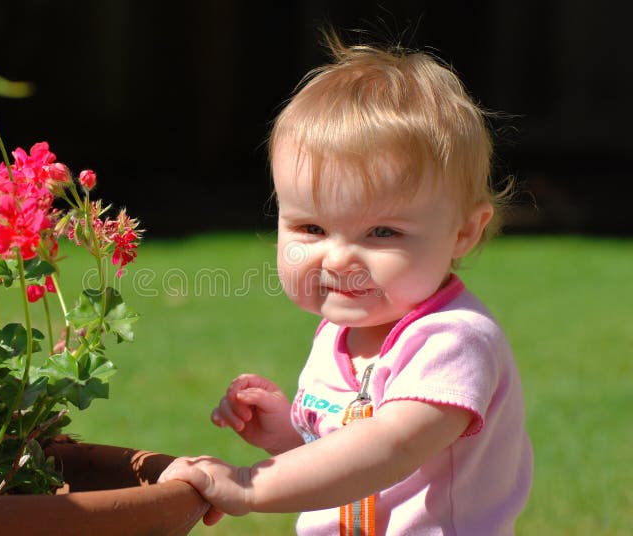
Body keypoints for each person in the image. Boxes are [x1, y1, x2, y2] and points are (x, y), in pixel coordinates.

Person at [159, 32, 533, 535]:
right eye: (310, 228)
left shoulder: (454, 340)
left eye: (383, 232)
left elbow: (390, 448)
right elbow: (348, 465)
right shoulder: (338, 334)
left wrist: (251, 485)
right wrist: (290, 438)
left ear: (463, 231)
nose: (337, 258)